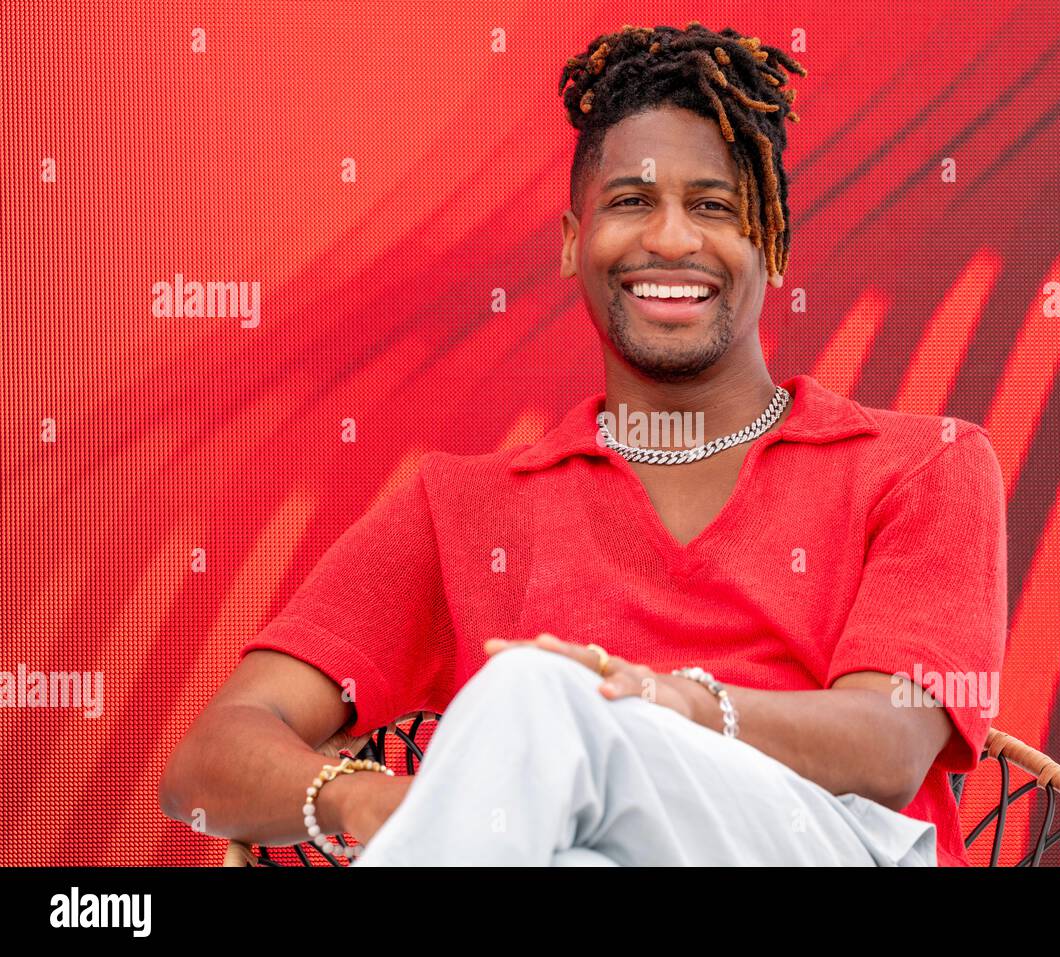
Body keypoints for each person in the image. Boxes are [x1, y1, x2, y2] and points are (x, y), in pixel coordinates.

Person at [158, 21, 1007, 867]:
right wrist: (371, 797)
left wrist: (666, 703)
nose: (672, 239)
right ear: (572, 241)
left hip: (834, 847)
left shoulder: (922, 463)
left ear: (772, 241)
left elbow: (888, 749)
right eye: (632, 202)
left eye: (714, 206)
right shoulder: (463, 505)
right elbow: (208, 760)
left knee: (533, 685)